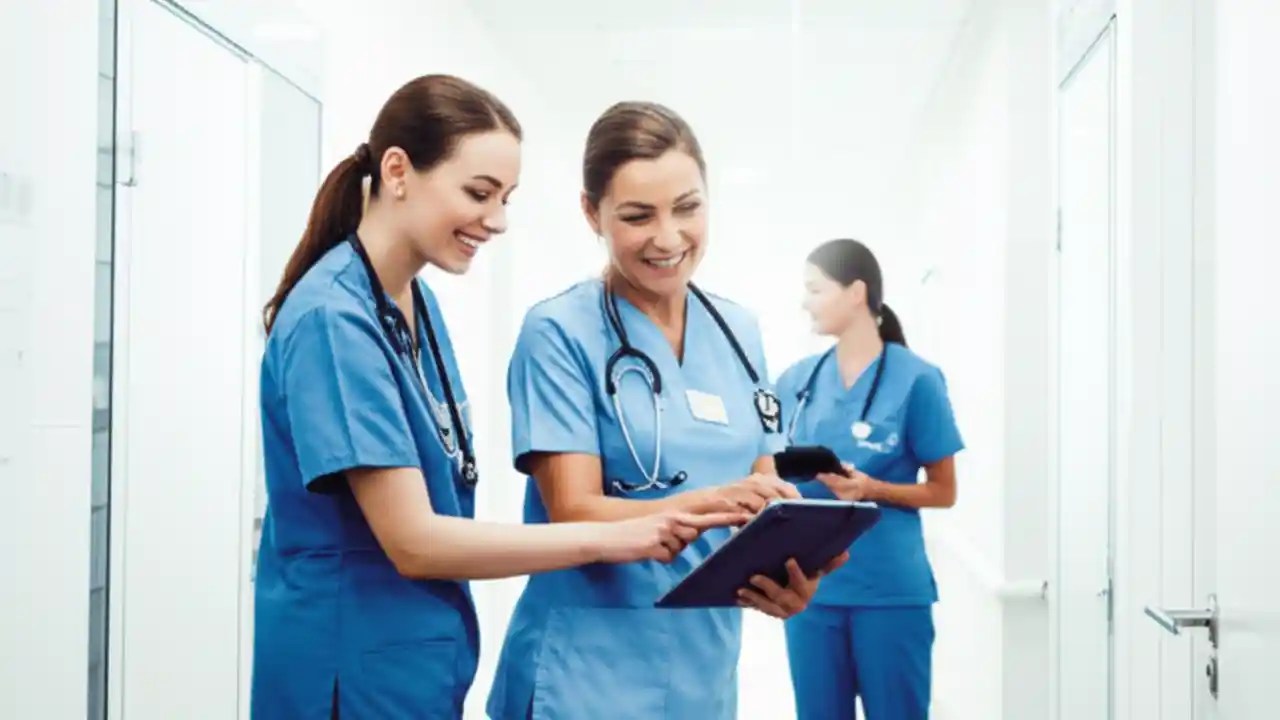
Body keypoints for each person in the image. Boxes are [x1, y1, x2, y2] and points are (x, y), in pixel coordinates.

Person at [250, 75, 745, 720]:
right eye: (479, 194)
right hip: (349, 668)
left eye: (505, 197)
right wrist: (620, 534)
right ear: (398, 170)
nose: (498, 220)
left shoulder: (410, 304)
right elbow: (415, 541)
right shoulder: (334, 319)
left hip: (415, 663)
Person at [485, 101, 847, 720]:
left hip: (702, 671)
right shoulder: (559, 332)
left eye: (687, 207)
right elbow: (573, 511)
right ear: (590, 212)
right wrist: (715, 502)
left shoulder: (738, 332)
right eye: (637, 216)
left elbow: (761, 497)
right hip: (583, 676)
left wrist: (787, 573)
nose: (669, 237)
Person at [774, 238, 964, 720]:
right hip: (809, 589)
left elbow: (944, 491)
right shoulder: (796, 381)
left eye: (815, 289)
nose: (804, 301)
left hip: (889, 593)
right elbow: (766, 465)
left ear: (856, 293)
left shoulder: (917, 379)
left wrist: (872, 489)